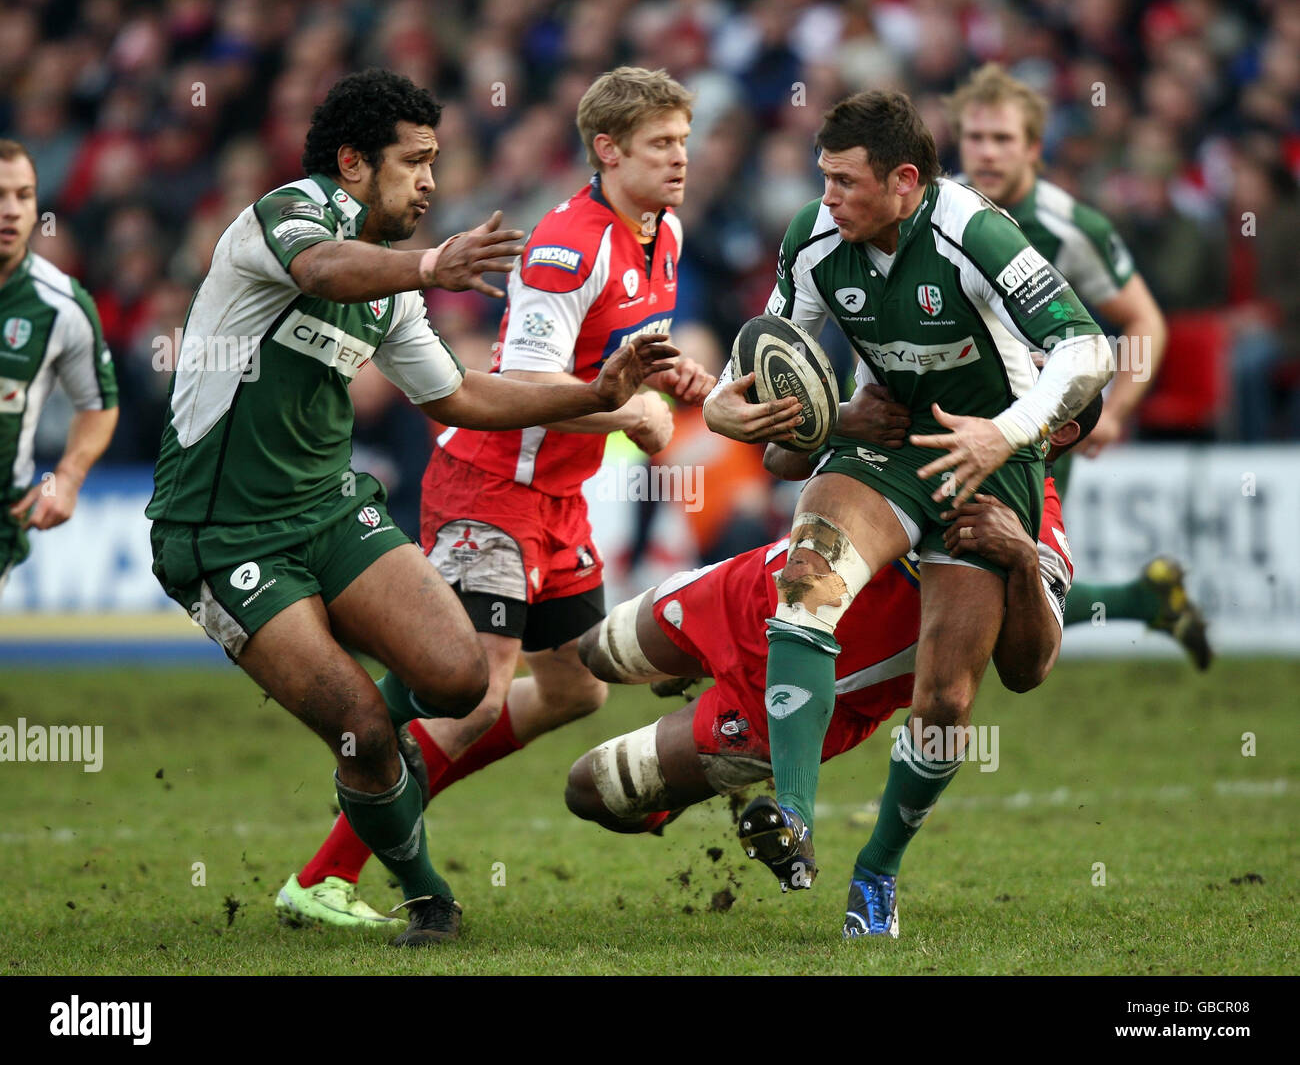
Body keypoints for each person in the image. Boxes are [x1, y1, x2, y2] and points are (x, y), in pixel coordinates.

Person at [146, 69, 675, 947]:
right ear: (353, 164)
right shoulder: (286, 217)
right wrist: (432, 264)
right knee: (361, 724)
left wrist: (595, 396)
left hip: (327, 512)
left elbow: (461, 395)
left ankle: (369, 770)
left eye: (437, 162)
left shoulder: (390, 288)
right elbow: (322, 266)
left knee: (463, 678)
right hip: (220, 532)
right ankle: (428, 899)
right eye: (414, 162)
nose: (431, 182)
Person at [274, 67, 715, 930]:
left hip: (559, 496)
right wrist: (633, 413)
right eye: (662, 144)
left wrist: (672, 377)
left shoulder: (664, 231)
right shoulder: (566, 248)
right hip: (489, 486)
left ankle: (388, 750)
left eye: (685, 143)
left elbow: (616, 353)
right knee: (474, 693)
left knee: (573, 690)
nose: (681, 160)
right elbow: (523, 380)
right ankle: (331, 869)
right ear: (608, 149)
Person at [702, 90, 1113, 934]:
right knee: (806, 578)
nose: (828, 198)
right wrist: (725, 412)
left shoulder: (976, 231)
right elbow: (758, 372)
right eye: (823, 178)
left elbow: (1090, 350)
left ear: (904, 181)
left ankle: (878, 870)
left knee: (948, 703)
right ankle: (795, 819)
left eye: (845, 182)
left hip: (982, 458)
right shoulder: (813, 239)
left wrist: (1004, 436)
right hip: (886, 447)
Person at [568, 394, 1102, 937]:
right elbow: (779, 459)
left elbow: (1028, 670)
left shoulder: (1035, 526)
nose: (1011, 371)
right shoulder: (925, 409)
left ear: (1058, 430)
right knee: (593, 651)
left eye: (1035, 376)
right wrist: (838, 418)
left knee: (588, 790)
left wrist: (1024, 562)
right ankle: (690, 677)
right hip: (747, 594)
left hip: (798, 700)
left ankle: (719, 808)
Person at [949, 63, 1210, 669]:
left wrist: (1114, 411)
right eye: (975, 137)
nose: (986, 152)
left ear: (1034, 148)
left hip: (1041, 429)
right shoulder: (939, 212)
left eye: (1003, 139)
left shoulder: (1074, 228)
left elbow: (1146, 323)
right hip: (952, 415)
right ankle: (1146, 600)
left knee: (1011, 575)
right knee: (968, 568)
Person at [0, 140, 118, 596]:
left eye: (24, 196)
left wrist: (67, 478)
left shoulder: (61, 305)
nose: (11, 210)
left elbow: (98, 404)